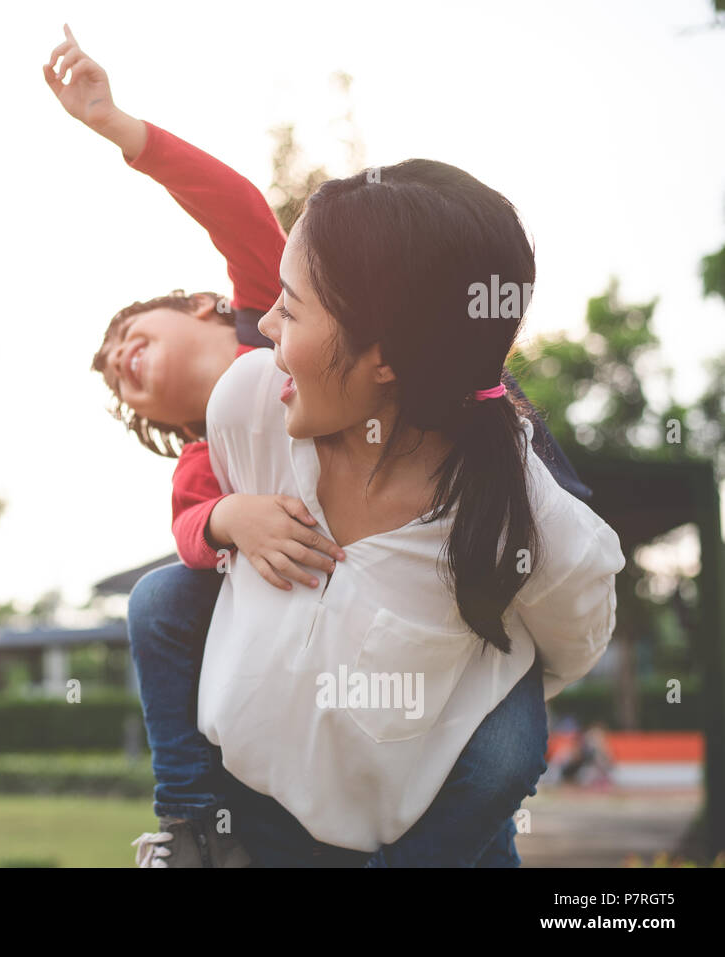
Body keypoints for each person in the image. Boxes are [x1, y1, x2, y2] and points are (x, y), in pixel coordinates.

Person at [44, 24, 598, 867]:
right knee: (159, 600)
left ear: (198, 306)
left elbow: (228, 198)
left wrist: (119, 127)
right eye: (121, 380)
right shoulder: (220, 440)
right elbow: (192, 529)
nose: (124, 360)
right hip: (323, 677)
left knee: (505, 740)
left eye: (130, 335)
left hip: (487, 491)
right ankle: (191, 825)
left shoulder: (273, 289)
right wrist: (231, 514)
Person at [187, 155, 626, 865]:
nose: (265, 325)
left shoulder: (536, 529)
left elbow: (567, 645)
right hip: (250, 834)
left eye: (291, 307)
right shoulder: (248, 408)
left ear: (384, 359)